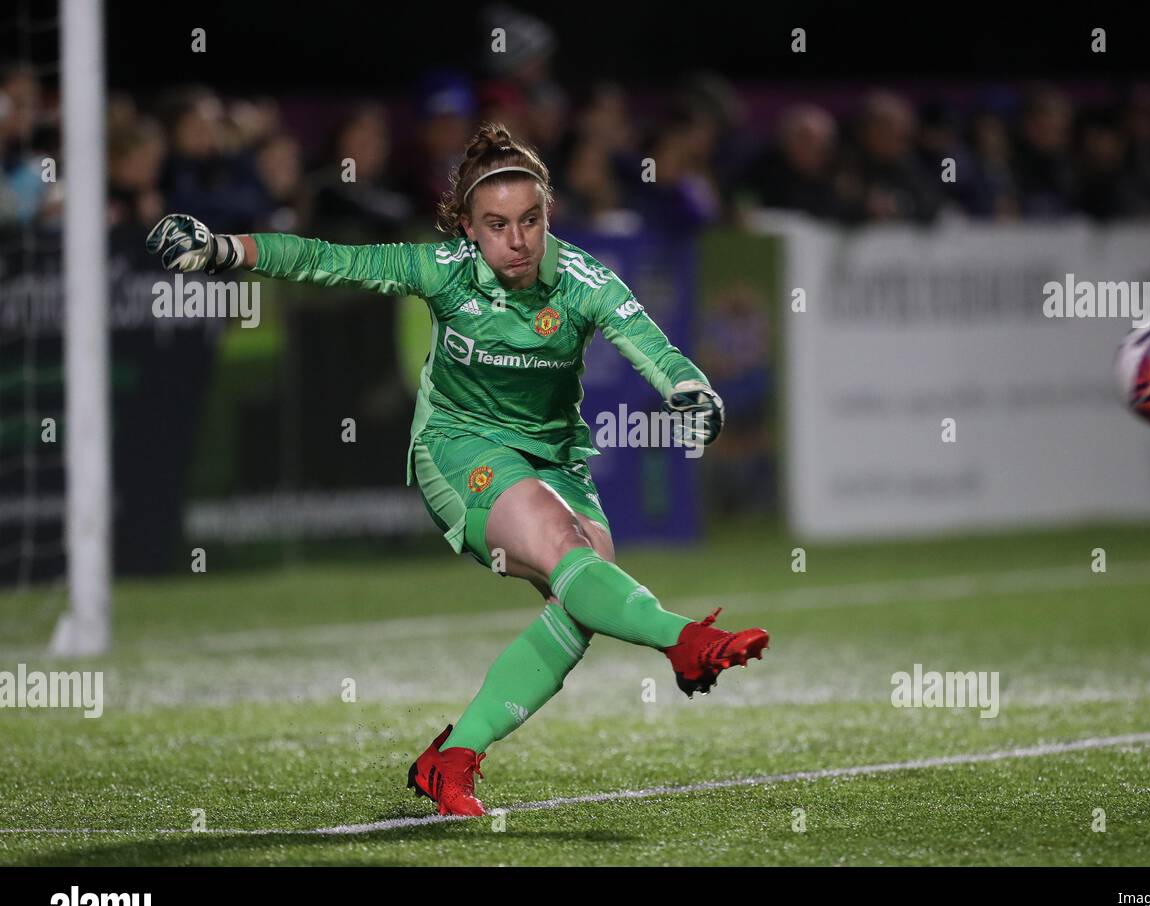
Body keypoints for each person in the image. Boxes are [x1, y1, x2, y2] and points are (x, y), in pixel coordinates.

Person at [145, 123, 771, 818]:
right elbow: (327, 259)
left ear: (548, 216)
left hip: (555, 457)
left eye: (530, 220)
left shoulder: (587, 280)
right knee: (568, 553)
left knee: (586, 584)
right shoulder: (441, 271)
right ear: (468, 229)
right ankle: (686, 640)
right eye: (497, 224)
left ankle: (451, 758)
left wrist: (691, 391)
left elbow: (653, 346)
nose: (518, 240)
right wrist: (226, 248)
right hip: (457, 449)